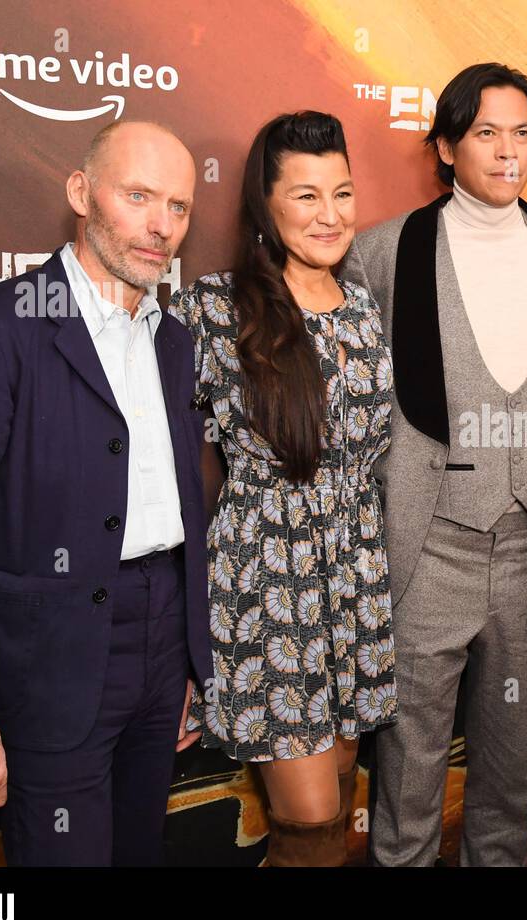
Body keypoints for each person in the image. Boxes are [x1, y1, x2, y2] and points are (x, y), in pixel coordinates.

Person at [0, 120, 211, 865]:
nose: (160, 226)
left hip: (161, 643)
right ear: (80, 191)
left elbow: (181, 512)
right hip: (49, 660)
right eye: (138, 196)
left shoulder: (174, 341)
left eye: (179, 207)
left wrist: (190, 659)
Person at [339, 62, 527, 866]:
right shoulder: (383, 251)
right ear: (446, 145)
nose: (509, 152)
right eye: (487, 133)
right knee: (409, 769)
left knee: (509, 775)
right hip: (430, 546)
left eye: (523, 133)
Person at [168, 111, 395, 867]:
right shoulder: (213, 307)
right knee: (313, 830)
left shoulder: (365, 309)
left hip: (356, 583)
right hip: (270, 585)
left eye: (342, 193)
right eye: (305, 196)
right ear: (266, 205)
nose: (329, 215)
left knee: (336, 808)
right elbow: (145, 448)